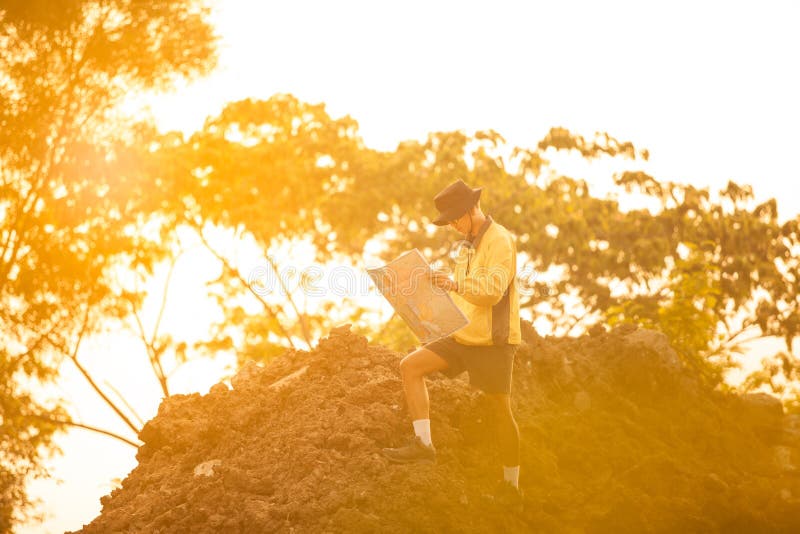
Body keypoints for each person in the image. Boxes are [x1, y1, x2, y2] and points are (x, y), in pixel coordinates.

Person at [381, 179, 522, 497]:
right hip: (462, 335)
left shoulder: (500, 241)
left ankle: (511, 488)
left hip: (494, 341)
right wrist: (434, 323)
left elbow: (491, 293)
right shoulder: (466, 247)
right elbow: (461, 300)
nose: (454, 226)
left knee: (501, 411)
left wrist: (454, 285)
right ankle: (424, 445)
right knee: (410, 366)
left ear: (473, 209)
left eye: (456, 218)